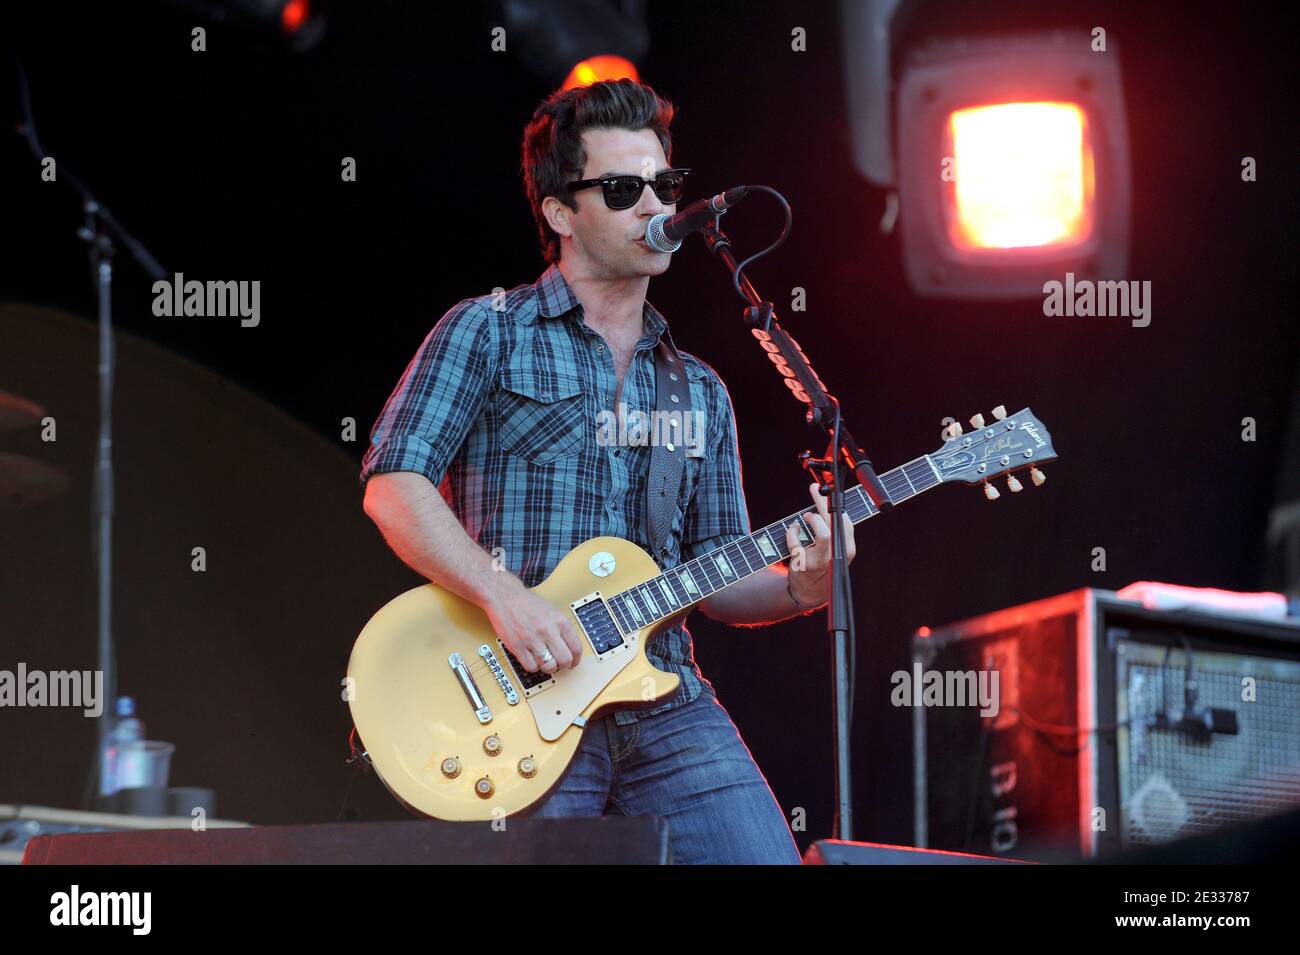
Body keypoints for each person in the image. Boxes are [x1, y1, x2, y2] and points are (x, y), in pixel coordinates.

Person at [359, 78, 855, 864]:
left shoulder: (699, 387)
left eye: (665, 185)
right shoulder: (488, 332)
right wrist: (505, 597)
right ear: (560, 212)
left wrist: (805, 586)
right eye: (624, 190)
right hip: (522, 693)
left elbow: (712, 574)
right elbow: (393, 485)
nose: (654, 207)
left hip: (666, 699)